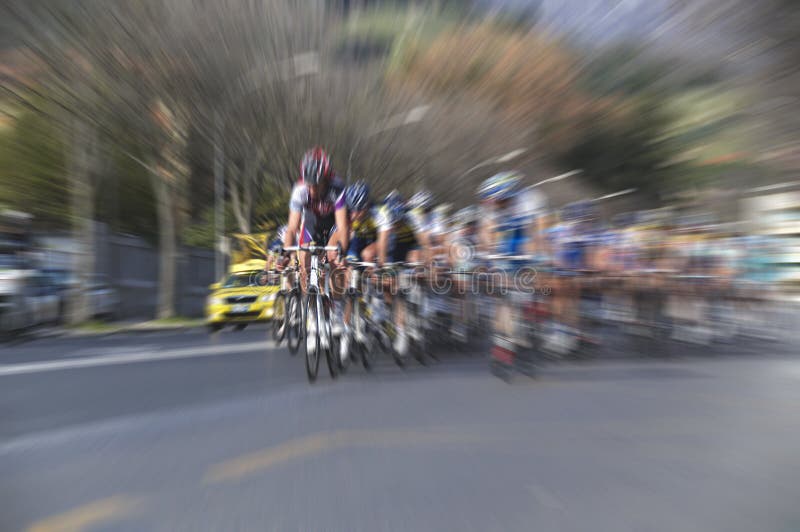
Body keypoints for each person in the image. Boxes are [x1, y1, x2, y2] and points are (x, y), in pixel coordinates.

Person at [283, 147, 349, 285]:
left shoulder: (337, 187)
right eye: (309, 185)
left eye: (317, 185)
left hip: (333, 223)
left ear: (326, 180)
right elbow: (292, 228)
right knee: (303, 262)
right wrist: (285, 254)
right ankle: (308, 296)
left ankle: (337, 298)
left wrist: (342, 253)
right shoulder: (299, 190)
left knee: (333, 257)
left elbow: (342, 226)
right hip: (311, 222)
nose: (312, 190)